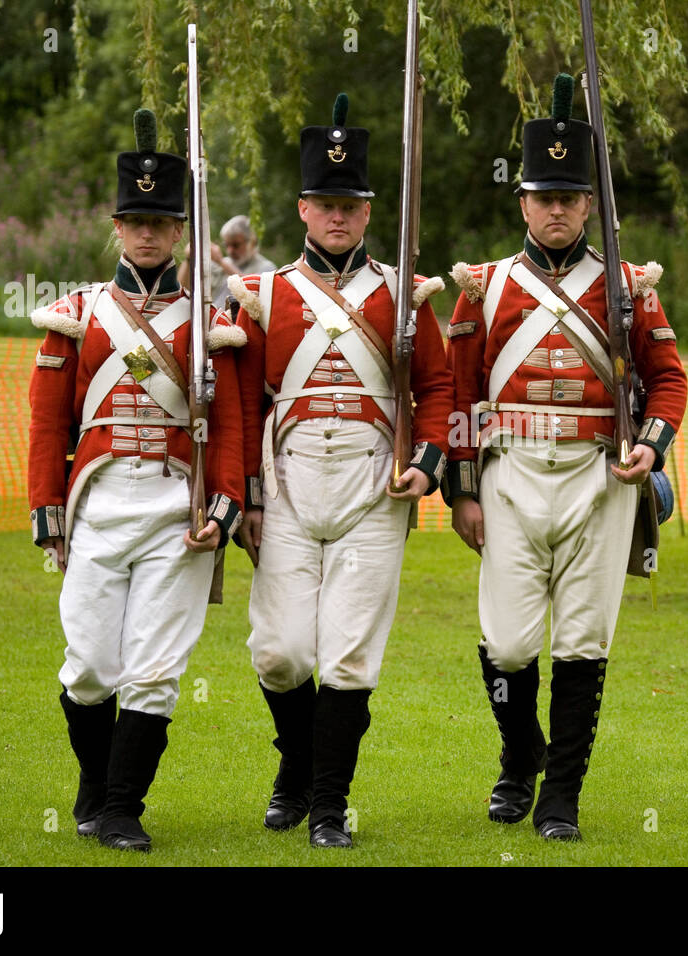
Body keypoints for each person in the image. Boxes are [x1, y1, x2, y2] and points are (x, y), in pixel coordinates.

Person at [444, 74, 688, 842]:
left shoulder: (626, 286)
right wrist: (462, 492)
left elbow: (669, 379)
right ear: (522, 202)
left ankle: (560, 798)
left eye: (570, 197)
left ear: (590, 205)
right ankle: (520, 758)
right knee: (511, 643)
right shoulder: (482, 289)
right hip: (510, 476)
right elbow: (455, 396)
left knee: (584, 640)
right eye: (543, 196)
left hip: (599, 477)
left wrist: (648, 449)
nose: (556, 209)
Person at [226, 94, 453, 849]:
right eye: (325, 204)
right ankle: (296, 764)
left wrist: (425, 464)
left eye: (349, 206)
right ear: (301, 208)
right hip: (287, 483)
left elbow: (439, 389)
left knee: (349, 653)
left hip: (370, 488)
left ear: (366, 211)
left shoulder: (401, 292)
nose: (337, 218)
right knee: (281, 652)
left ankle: (327, 806)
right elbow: (243, 400)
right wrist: (247, 499)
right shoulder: (264, 297)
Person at [28, 109, 245, 851]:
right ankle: (94, 785)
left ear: (181, 230)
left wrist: (226, 504)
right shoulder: (78, 313)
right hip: (98, 505)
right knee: (90, 665)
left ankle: (122, 807)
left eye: (161, 221)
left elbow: (233, 423)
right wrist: (46, 509)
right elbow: (48, 425)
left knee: (152, 671)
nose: (148, 233)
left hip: (175, 508)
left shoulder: (209, 321)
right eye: (135, 220)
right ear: (116, 226)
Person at [179, 214, 277, 309]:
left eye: (235, 245)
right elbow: (184, 291)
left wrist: (220, 262)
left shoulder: (267, 268)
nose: (230, 251)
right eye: (227, 245)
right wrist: (189, 259)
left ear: (252, 242)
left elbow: (252, 290)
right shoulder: (221, 264)